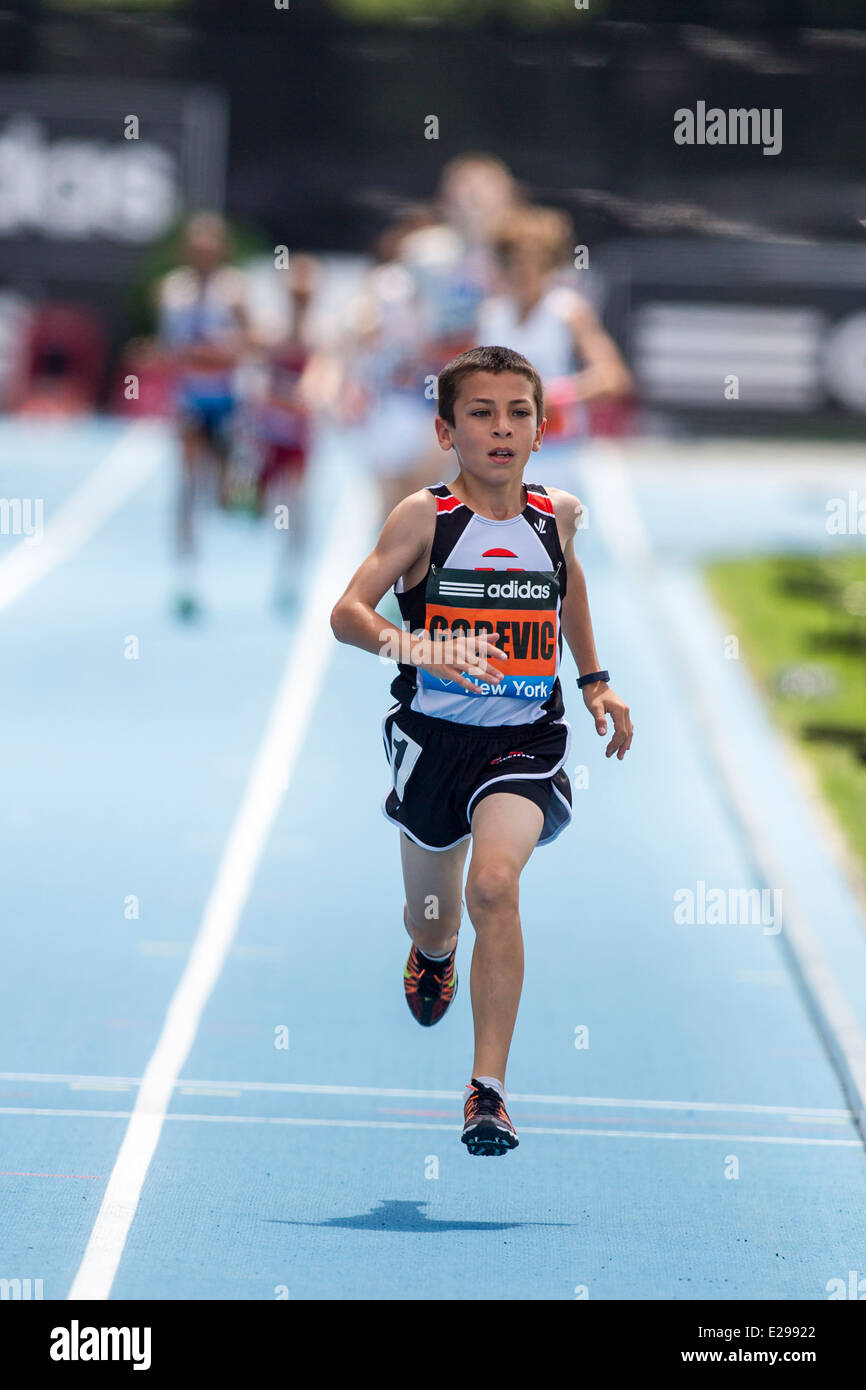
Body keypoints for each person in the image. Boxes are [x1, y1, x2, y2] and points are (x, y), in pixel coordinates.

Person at [330, 344, 633, 1156]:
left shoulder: (557, 514)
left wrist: (596, 680)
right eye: (481, 413)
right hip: (434, 744)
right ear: (445, 429)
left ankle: (488, 1091)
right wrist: (419, 649)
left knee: (494, 885)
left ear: (540, 427)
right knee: (433, 915)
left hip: (524, 745)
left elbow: (566, 585)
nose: (501, 429)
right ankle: (433, 953)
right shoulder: (423, 518)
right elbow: (347, 615)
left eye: (518, 413)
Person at [477, 206, 633, 491]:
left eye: (531, 263)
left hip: (560, 454)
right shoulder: (492, 315)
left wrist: (556, 394)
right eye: (513, 262)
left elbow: (613, 378)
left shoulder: (567, 311)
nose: (522, 272)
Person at [155, 212, 250, 620]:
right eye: (196, 249)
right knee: (189, 483)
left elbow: (252, 341)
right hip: (191, 401)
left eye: (210, 250)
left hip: (226, 400)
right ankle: (187, 575)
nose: (202, 256)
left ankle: (245, 501)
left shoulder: (234, 291)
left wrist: (221, 352)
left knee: (223, 494)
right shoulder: (173, 290)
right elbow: (166, 348)